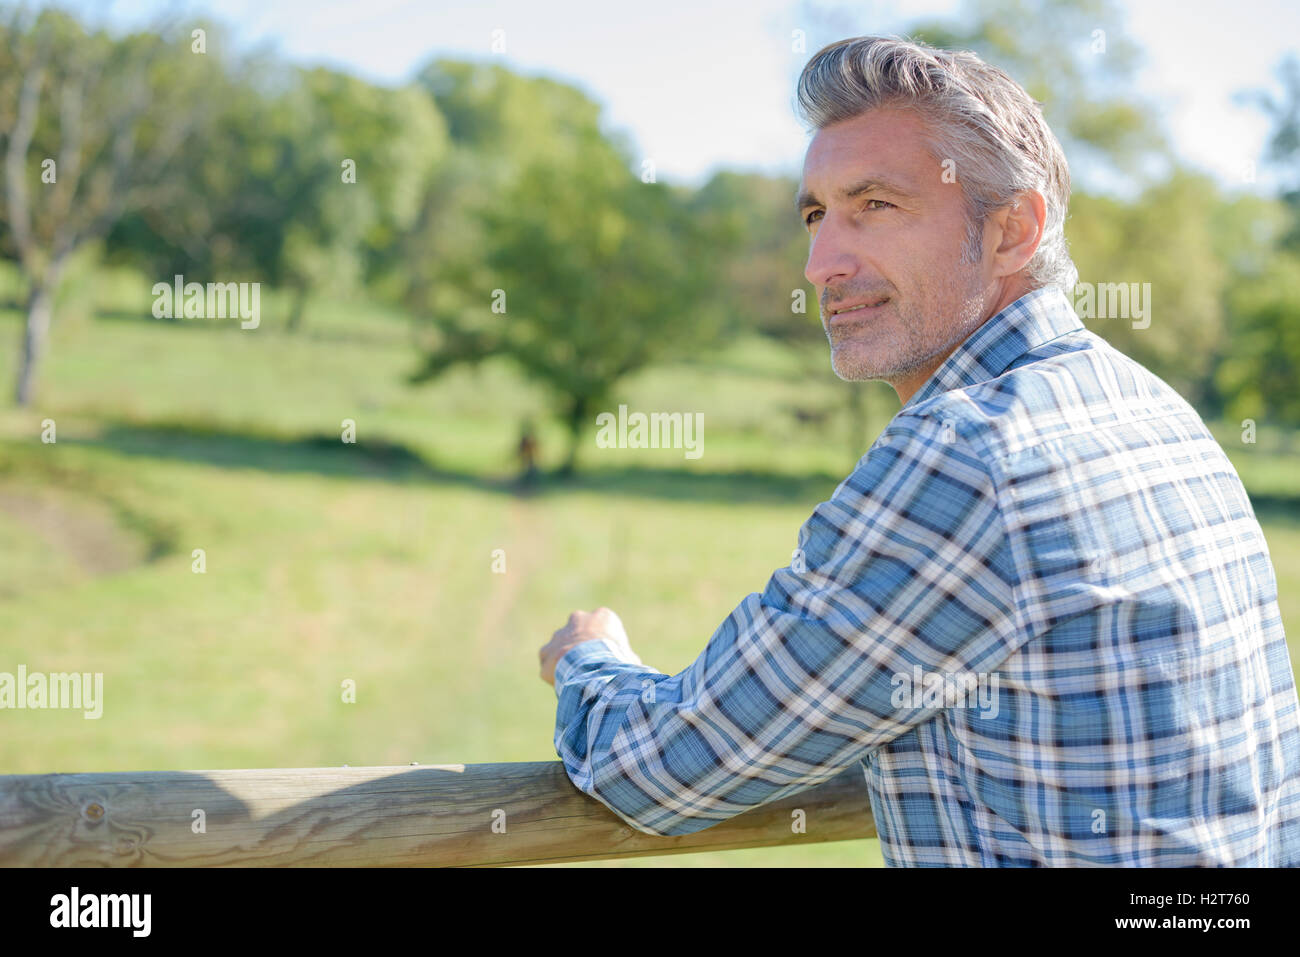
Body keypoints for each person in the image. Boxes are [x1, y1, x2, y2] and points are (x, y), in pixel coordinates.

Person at [537, 35, 1300, 866]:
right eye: (816, 214)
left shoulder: (969, 452)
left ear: (1012, 231)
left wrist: (590, 659)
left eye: (877, 206)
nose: (821, 262)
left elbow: (660, 768)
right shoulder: (1159, 414)